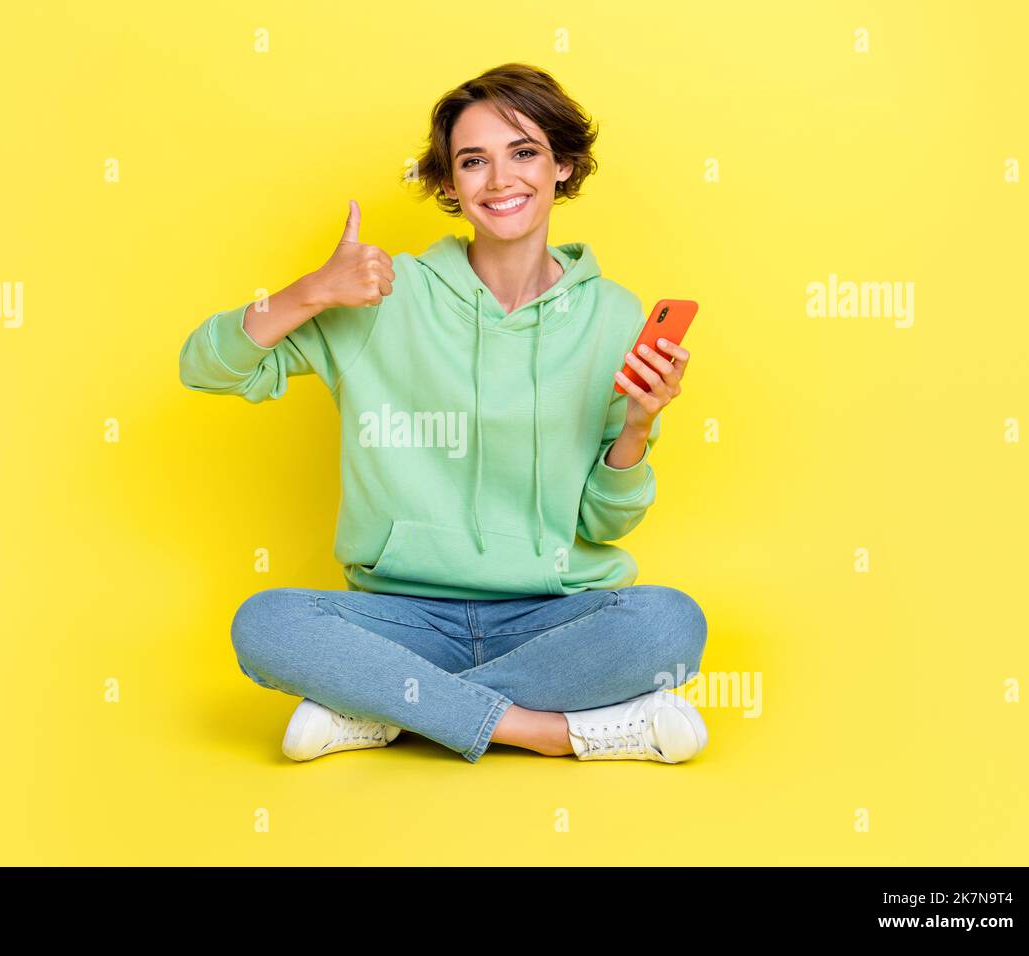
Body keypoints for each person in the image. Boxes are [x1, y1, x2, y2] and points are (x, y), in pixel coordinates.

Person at [179, 63, 708, 765]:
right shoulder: (380, 296)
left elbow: (604, 524)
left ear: (564, 167)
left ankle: (382, 709)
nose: (500, 179)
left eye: (524, 153)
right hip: (403, 614)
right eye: (473, 161)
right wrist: (310, 291)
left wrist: (638, 427)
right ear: (449, 183)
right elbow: (206, 369)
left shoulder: (613, 315)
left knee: (669, 624)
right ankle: (554, 733)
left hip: (552, 613)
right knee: (265, 624)